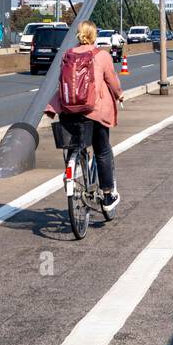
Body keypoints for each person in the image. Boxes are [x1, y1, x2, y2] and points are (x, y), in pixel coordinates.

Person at [46, 18, 123, 211]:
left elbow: (63, 83)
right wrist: (119, 95)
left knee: (73, 145)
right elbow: (112, 81)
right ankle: (107, 196)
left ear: (78, 35)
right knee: (102, 150)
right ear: (94, 36)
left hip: (69, 112)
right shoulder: (102, 55)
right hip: (93, 112)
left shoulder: (67, 55)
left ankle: (70, 170)